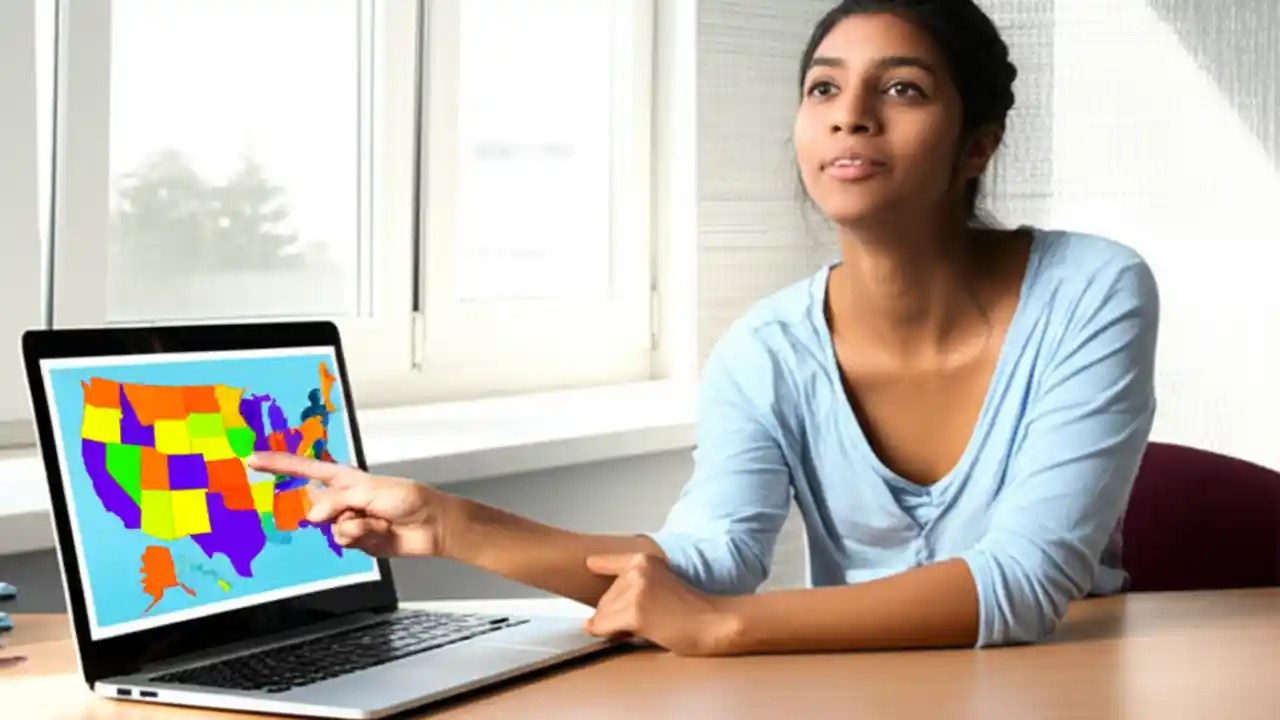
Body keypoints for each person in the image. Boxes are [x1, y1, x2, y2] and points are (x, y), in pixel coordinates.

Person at [251, 0, 1158, 656]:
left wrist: (724, 627)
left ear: (978, 144)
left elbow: (1026, 582)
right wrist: (452, 524)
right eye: (823, 87)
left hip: (1064, 683)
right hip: (864, 685)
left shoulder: (1091, 291)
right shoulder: (766, 351)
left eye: (903, 88)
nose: (850, 113)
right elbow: (709, 561)